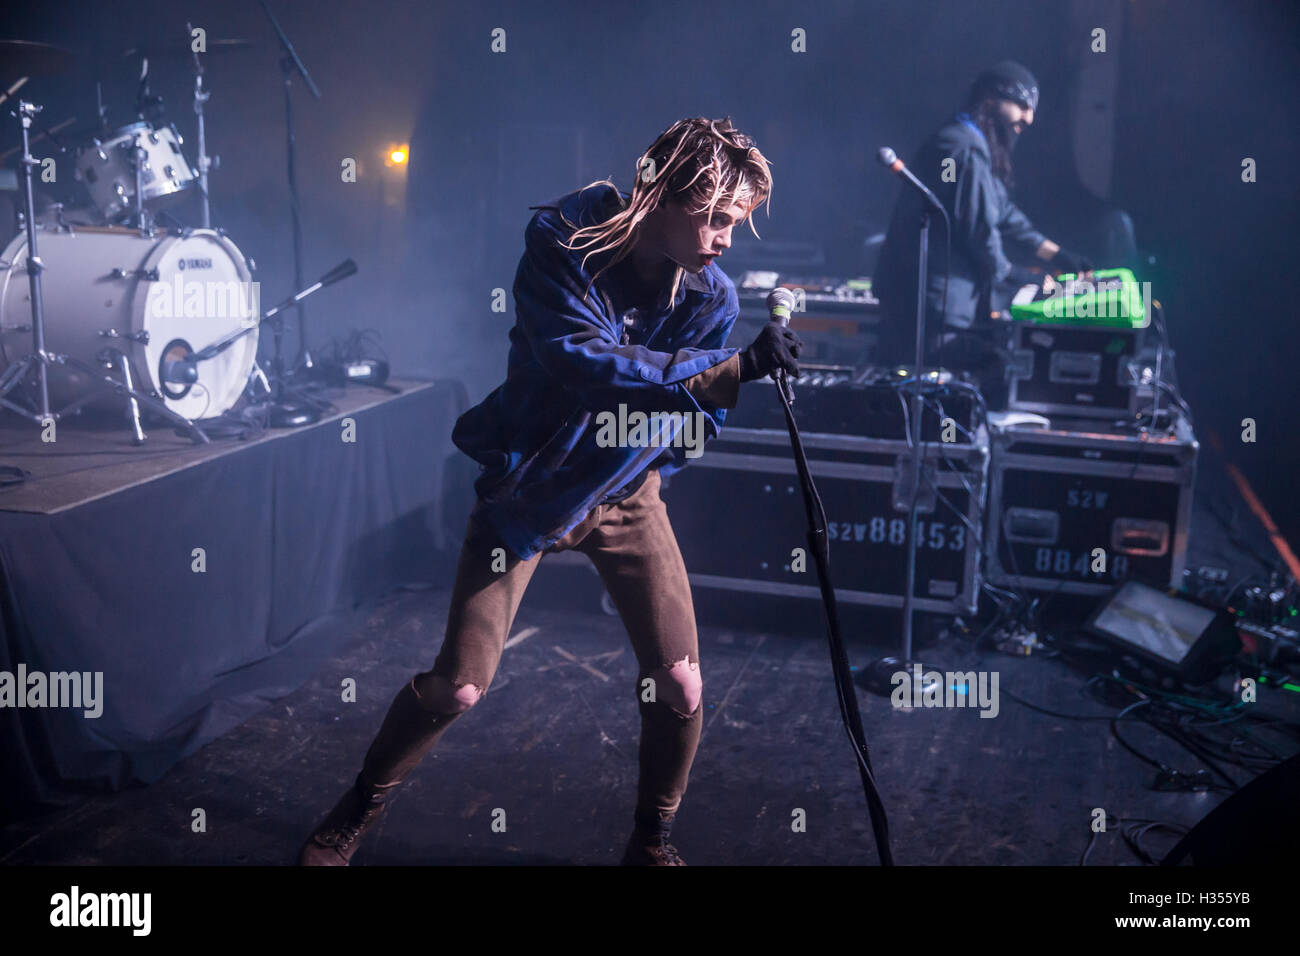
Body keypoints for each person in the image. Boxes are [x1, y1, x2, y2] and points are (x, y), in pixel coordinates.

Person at [298, 117, 803, 866]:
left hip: (628, 493)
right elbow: (587, 365)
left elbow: (695, 421)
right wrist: (726, 371)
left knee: (683, 686)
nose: (728, 237)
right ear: (664, 194)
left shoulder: (712, 297)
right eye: (717, 218)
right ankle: (356, 809)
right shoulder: (565, 246)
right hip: (530, 494)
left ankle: (652, 839)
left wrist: (652, 474)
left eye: (736, 222)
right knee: (460, 688)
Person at [873, 60, 1093, 402]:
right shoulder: (960, 149)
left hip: (941, 307)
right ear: (992, 100)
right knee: (978, 382)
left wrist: (1059, 255)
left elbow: (1004, 214)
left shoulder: (970, 145)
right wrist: (1020, 278)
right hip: (931, 310)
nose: (1028, 119)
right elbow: (979, 233)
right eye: (1022, 106)